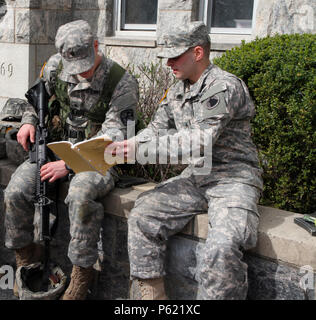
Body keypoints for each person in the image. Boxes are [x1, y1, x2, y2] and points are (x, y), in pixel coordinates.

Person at [106, 21, 263, 300]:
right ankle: (152, 297)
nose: (168, 62)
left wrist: (141, 151)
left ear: (198, 53)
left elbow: (198, 142)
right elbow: (157, 129)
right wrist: (127, 145)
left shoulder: (222, 87)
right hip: (198, 177)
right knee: (143, 215)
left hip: (233, 179)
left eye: (175, 56)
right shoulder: (178, 90)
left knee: (223, 246)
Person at [3, 20, 139, 300]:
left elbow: (113, 138)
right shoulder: (55, 65)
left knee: (80, 194)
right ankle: (27, 263)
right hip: (55, 149)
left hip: (99, 158)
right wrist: (28, 122)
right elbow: (35, 100)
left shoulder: (121, 83)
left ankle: (81, 275)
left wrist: (69, 164)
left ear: (97, 46)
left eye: (86, 64)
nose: (80, 73)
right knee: (17, 189)